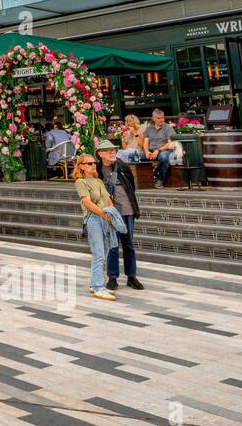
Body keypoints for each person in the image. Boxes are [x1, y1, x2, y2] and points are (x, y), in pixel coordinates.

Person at [96, 140, 144, 291]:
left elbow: (131, 185)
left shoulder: (122, 166)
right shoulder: (96, 169)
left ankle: (131, 276)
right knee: (113, 245)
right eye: (108, 150)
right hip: (110, 212)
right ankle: (112, 277)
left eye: (113, 150)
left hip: (127, 210)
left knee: (128, 244)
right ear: (100, 153)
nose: (112, 152)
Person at [74, 154, 118, 301]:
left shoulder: (98, 180)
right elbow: (87, 203)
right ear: (81, 166)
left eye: (94, 163)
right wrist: (103, 214)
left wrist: (111, 214)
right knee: (98, 254)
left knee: (104, 253)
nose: (93, 165)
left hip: (105, 218)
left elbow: (108, 199)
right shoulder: (81, 182)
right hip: (93, 219)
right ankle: (99, 287)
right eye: (89, 163)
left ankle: (94, 284)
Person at [142, 109, 179, 188]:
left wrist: (158, 150)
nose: (161, 120)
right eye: (158, 118)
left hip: (166, 150)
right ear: (153, 119)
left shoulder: (168, 128)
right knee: (133, 156)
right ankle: (142, 181)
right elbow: (145, 142)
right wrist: (146, 152)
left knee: (163, 156)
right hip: (151, 151)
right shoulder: (149, 128)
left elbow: (170, 143)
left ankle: (160, 179)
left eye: (162, 118)